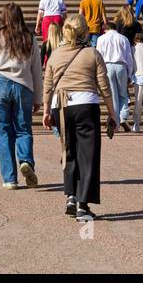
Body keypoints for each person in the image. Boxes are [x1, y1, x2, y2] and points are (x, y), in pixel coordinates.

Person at [43, 14, 117, 221]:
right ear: (85, 32)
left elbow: (47, 85)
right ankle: (83, 204)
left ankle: (70, 195)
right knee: (88, 154)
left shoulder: (56, 54)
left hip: (62, 106)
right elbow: (104, 86)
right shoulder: (92, 53)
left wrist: (47, 111)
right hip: (86, 104)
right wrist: (112, 112)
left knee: (68, 151)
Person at [0, 3, 43, 190]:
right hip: (24, 85)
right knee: (23, 129)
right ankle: (26, 161)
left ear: (4, 17)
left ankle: (10, 178)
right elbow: (36, 70)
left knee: (4, 131)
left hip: (0, 84)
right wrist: (38, 98)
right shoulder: (29, 38)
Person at [96, 19, 135, 131]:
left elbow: (99, 56)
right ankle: (123, 116)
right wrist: (129, 73)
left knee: (112, 95)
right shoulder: (123, 38)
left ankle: (116, 122)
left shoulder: (101, 39)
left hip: (107, 66)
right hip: (121, 65)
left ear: (105, 29)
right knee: (123, 94)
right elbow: (129, 57)